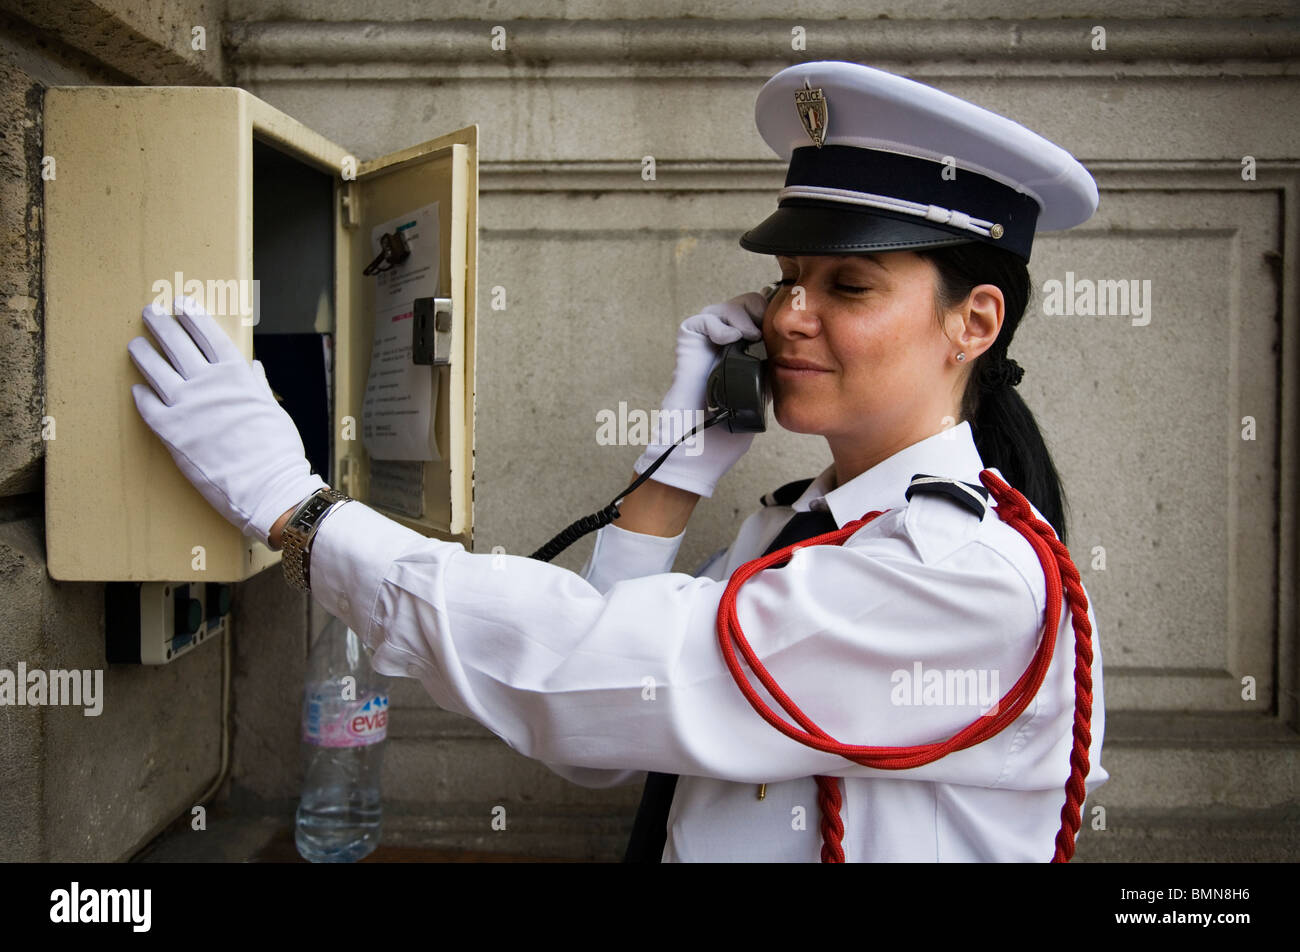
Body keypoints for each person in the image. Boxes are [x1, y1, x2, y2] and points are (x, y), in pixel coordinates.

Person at [126, 60, 1107, 862]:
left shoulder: (961, 577)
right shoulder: (804, 519)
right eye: (784, 281)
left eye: (846, 285)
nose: (786, 317)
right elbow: (604, 738)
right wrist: (673, 474)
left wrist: (296, 511)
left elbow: (591, 670)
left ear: (972, 321)